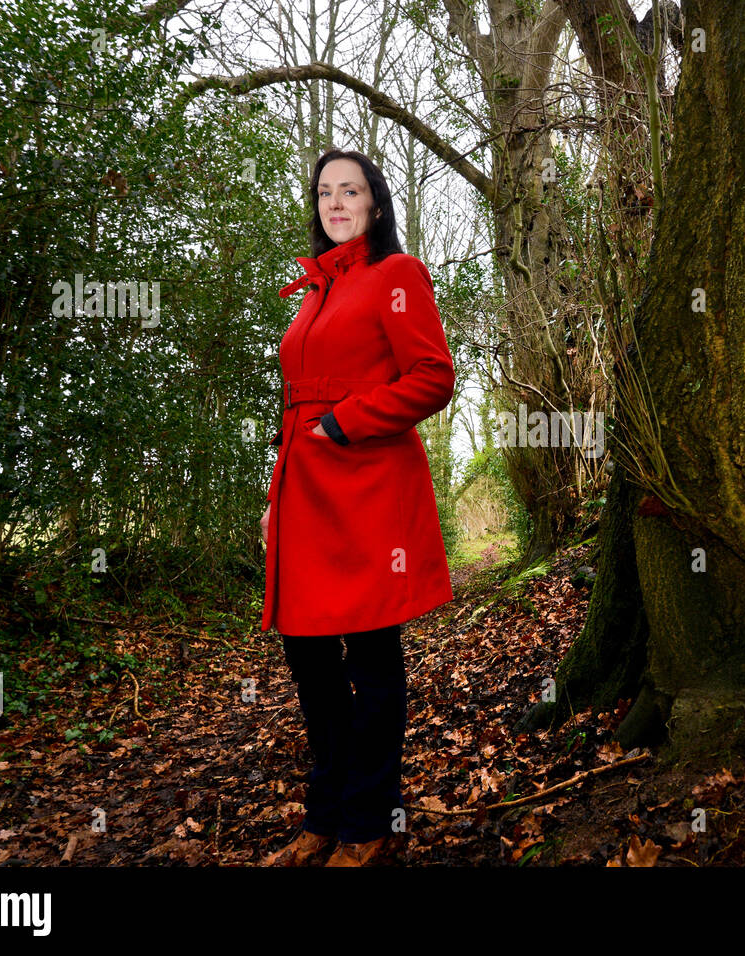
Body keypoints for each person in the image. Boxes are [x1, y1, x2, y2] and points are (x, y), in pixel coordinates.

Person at [259, 148, 456, 866]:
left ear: (376, 202)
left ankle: (368, 821)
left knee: (371, 661)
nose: (336, 203)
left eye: (352, 190)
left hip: (368, 487)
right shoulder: (312, 291)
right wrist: (273, 499)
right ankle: (326, 812)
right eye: (324, 193)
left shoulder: (397, 276)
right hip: (303, 493)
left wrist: (345, 421)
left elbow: (434, 376)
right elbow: (292, 405)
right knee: (309, 661)